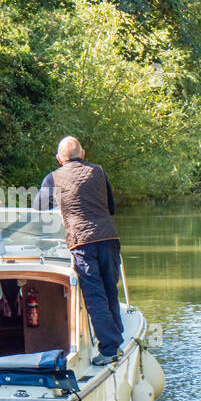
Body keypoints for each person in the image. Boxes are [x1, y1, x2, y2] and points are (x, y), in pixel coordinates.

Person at [36, 137, 123, 366]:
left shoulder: (52, 178)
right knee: (110, 289)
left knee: (94, 295)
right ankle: (116, 338)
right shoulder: (100, 172)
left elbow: (37, 210)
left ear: (59, 158)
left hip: (81, 241)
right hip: (109, 237)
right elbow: (111, 207)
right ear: (83, 153)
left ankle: (109, 348)